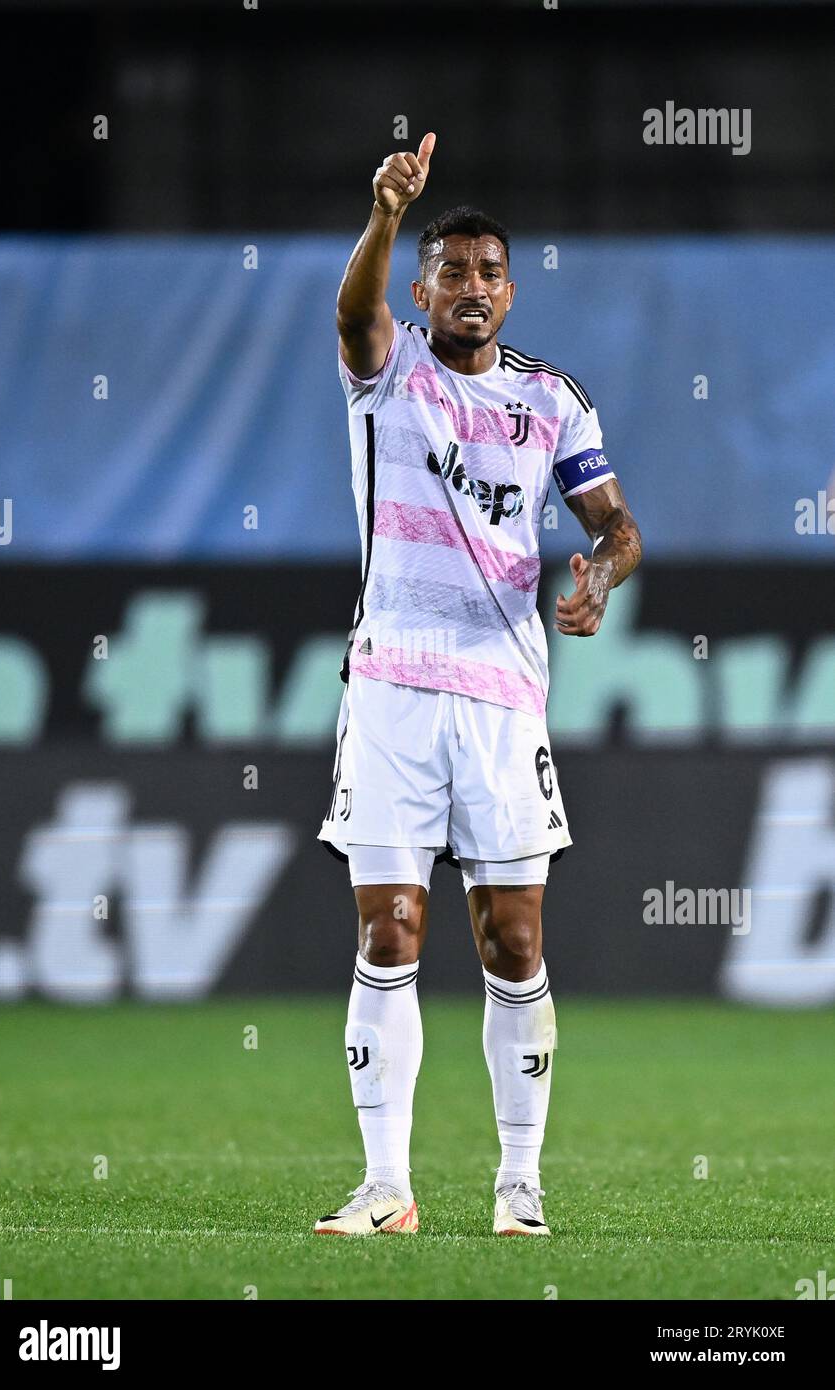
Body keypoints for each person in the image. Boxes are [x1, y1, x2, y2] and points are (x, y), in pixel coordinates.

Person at [315, 132, 642, 1236]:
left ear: (509, 291)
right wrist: (383, 210)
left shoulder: (551, 400)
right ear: (422, 285)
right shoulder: (386, 367)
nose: (471, 287)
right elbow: (351, 311)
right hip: (392, 690)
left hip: (502, 698)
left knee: (511, 941)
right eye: (451, 271)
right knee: (390, 931)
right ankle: (385, 1186)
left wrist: (596, 571)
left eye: (489, 273)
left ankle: (517, 1185)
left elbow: (615, 526)